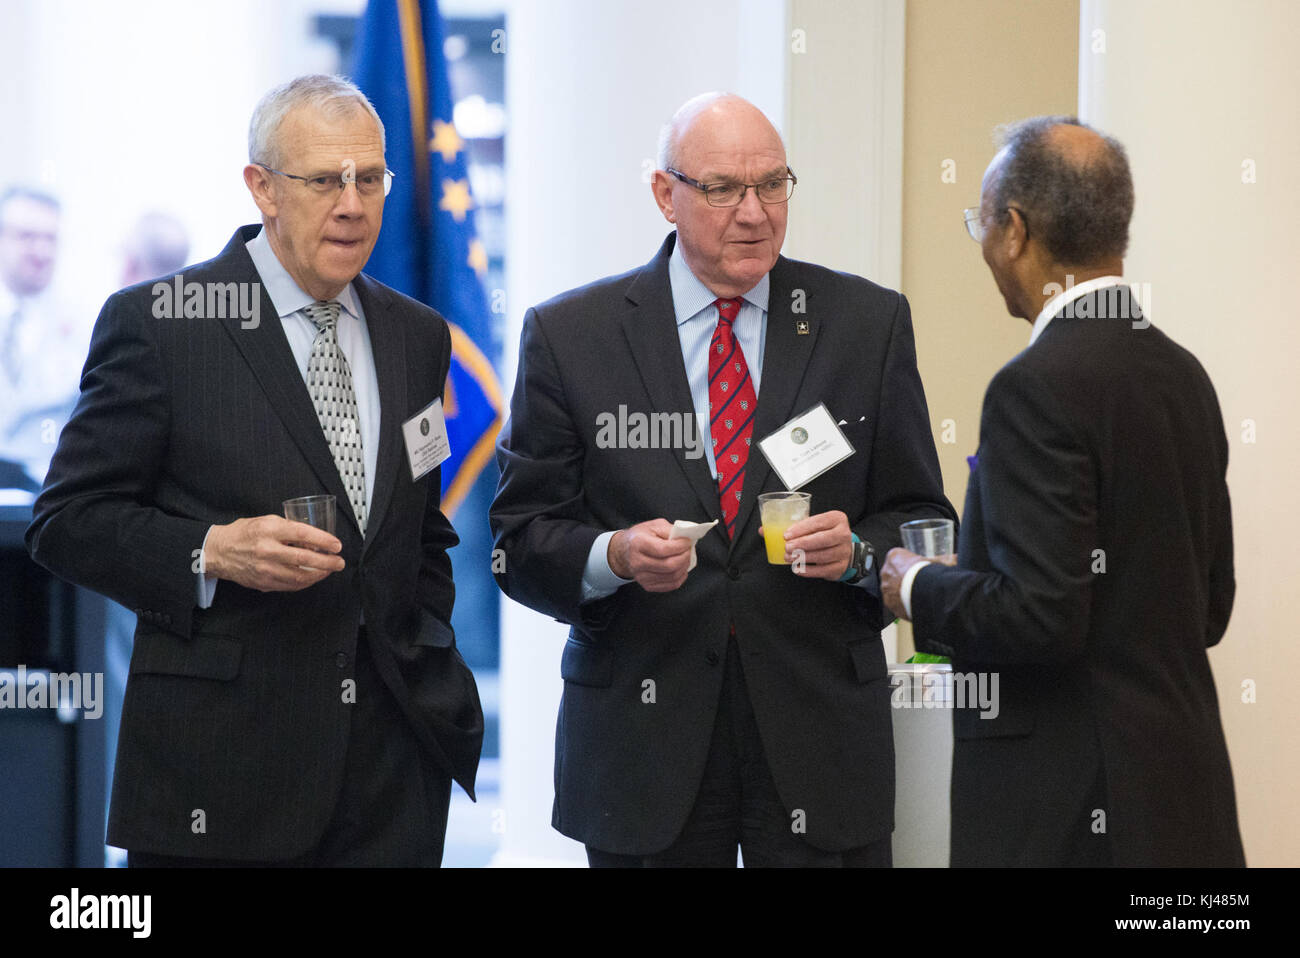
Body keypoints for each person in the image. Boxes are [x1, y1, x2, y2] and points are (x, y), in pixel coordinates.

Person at [27, 74, 482, 866]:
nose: (352, 204)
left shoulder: (417, 336)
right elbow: (66, 522)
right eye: (324, 180)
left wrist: (431, 659)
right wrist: (210, 552)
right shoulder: (161, 325)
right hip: (222, 778)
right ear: (262, 188)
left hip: (392, 780)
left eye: (369, 179)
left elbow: (420, 530)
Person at [490, 92, 955, 867]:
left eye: (773, 184)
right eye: (722, 189)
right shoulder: (571, 336)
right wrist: (613, 557)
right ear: (664, 196)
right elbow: (517, 540)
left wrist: (860, 556)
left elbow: (920, 519)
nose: (755, 213)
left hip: (820, 740)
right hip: (645, 747)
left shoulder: (865, 325)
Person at [880, 116, 1245, 867]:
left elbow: (1041, 618)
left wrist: (917, 586)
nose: (981, 243)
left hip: (1067, 813)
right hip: (1183, 798)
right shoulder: (1186, 377)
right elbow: (1211, 607)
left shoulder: (1034, 388)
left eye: (980, 221)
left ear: (1013, 230)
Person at [0, 186, 85, 489]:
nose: (41, 251)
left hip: (46, 491)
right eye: (27, 237)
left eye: (50, 239)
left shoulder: (87, 321)